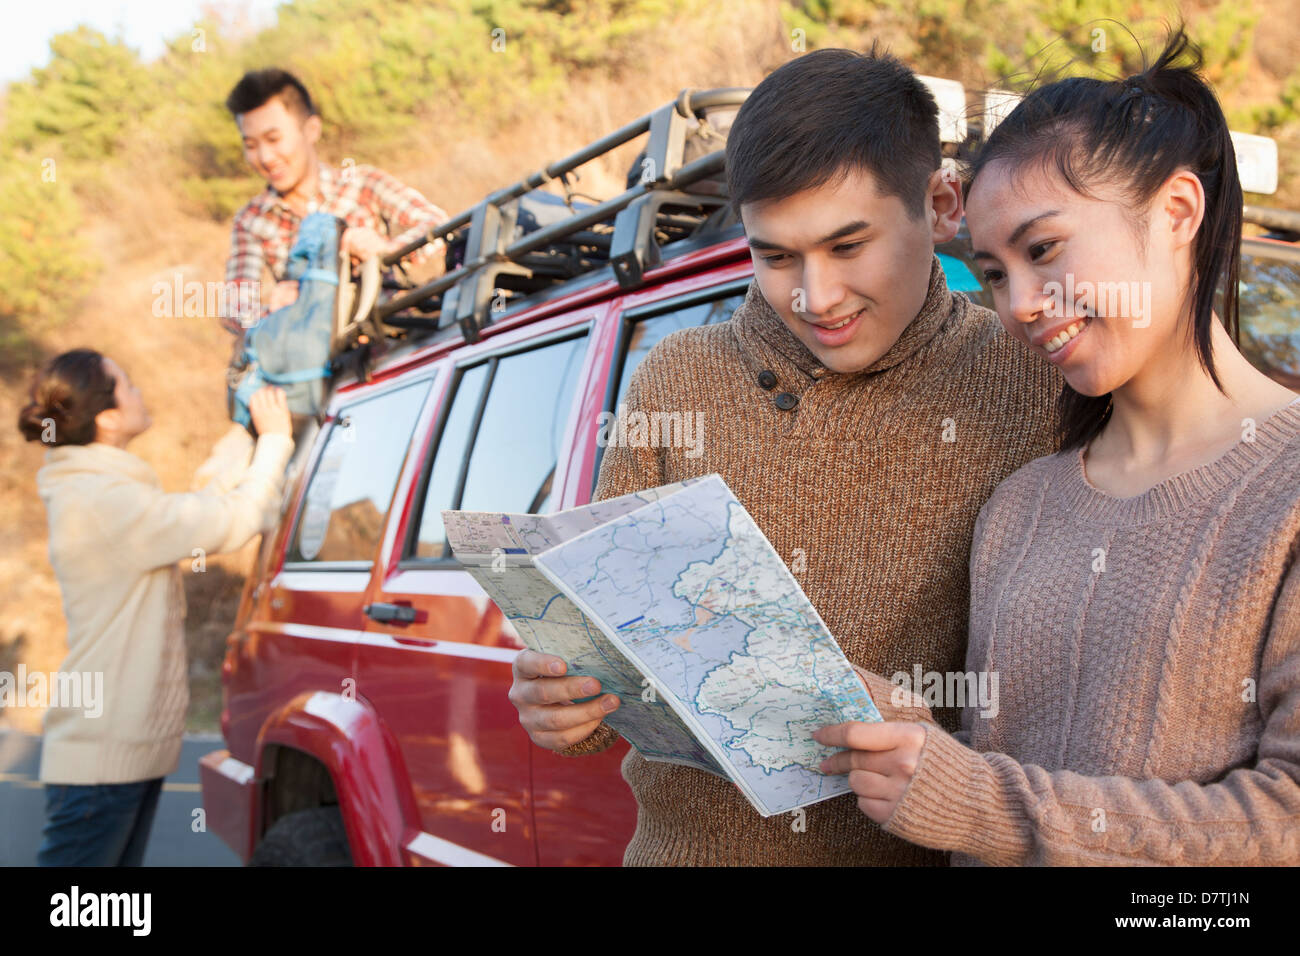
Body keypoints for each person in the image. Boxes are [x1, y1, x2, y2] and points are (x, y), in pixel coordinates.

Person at [506, 47, 1065, 865]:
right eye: (776, 256)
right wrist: (566, 709)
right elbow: (610, 675)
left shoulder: (1033, 385)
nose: (817, 296)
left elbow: (1059, 711)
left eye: (848, 246)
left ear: (942, 204)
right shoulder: (675, 382)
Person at [816, 29, 1300, 865]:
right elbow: (995, 769)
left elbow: (1285, 820)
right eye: (996, 273)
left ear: (1178, 211)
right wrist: (914, 737)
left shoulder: (1284, 487)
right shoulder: (1021, 504)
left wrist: (973, 801)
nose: (1023, 304)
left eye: (1043, 250)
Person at [19, 349, 296, 866]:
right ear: (107, 418)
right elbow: (234, 519)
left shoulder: (104, 490)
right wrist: (276, 443)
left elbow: (201, 506)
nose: (141, 391)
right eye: (128, 385)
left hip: (116, 752)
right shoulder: (101, 501)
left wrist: (244, 435)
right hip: (103, 756)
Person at [221, 68, 450, 331]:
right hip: (325, 364)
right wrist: (274, 311)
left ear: (311, 130)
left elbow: (437, 224)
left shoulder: (362, 183)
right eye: (250, 145)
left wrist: (385, 251)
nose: (265, 157)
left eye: (274, 139)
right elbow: (235, 309)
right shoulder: (251, 220)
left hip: (395, 344)